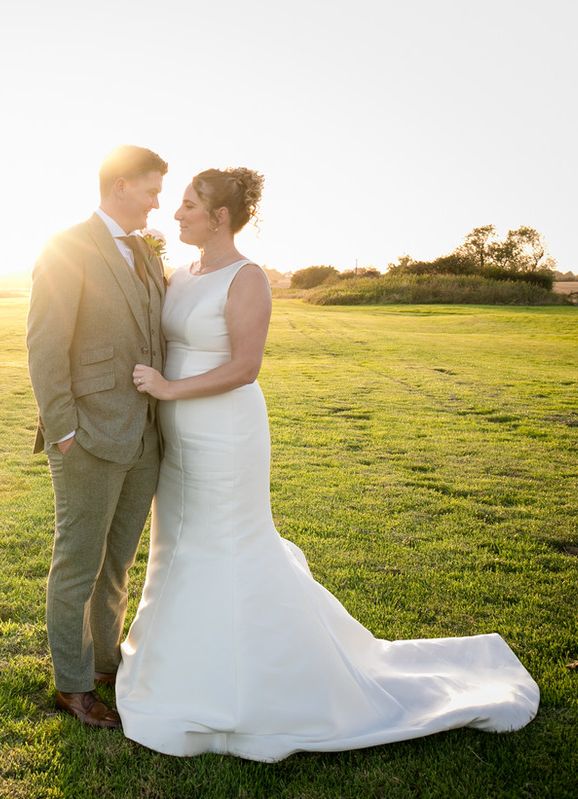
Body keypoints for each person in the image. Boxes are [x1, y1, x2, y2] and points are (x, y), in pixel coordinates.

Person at [115, 167, 539, 760]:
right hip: (176, 432)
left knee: (227, 542)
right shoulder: (181, 275)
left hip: (224, 434)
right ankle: (175, 667)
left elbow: (245, 368)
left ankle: (259, 685)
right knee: (178, 542)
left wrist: (166, 390)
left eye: (188, 205)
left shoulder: (248, 278)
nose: (176, 213)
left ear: (220, 218)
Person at [26, 145, 169, 728]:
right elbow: (45, 345)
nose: (158, 203)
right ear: (121, 186)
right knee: (78, 562)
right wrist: (63, 431)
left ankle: (108, 665)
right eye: (152, 190)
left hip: (145, 437)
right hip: (86, 434)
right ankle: (72, 684)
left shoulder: (143, 250)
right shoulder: (66, 247)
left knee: (117, 564)